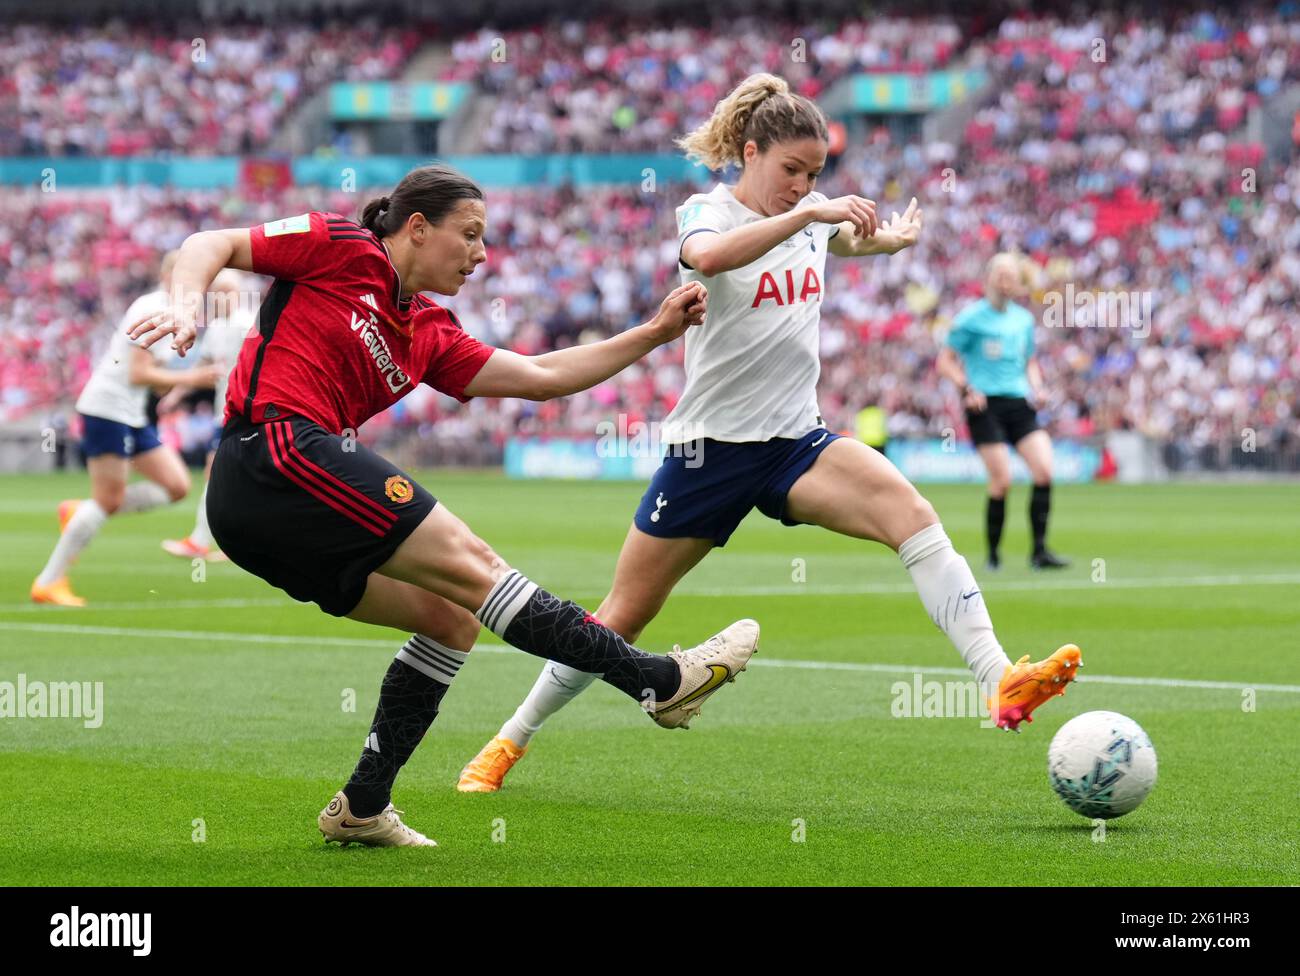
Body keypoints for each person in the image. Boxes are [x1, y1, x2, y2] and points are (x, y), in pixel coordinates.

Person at [459, 74, 1080, 793]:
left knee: (914, 519)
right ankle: (508, 743)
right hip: (709, 452)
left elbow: (844, 241)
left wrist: (889, 243)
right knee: (623, 613)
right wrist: (811, 211)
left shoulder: (809, 218)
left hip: (795, 443)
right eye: (791, 170)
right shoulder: (707, 212)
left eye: (814, 173)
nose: (802, 185)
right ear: (750, 153)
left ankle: (999, 679)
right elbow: (712, 258)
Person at [127, 163, 759, 848]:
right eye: (470, 235)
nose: (481, 254)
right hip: (272, 453)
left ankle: (363, 805)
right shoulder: (343, 247)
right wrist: (188, 302)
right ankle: (657, 681)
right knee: (474, 562)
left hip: (286, 505)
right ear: (418, 228)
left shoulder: (428, 330)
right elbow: (208, 242)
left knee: (453, 618)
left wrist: (653, 333)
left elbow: (542, 377)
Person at [31, 253, 223, 606]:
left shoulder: (175, 311)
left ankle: (82, 511)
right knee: (108, 500)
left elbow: (152, 380)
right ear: (170, 275)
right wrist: (191, 378)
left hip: (131, 413)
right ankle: (49, 581)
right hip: (107, 409)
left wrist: (174, 378)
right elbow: (138, 373)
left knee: (177, 486)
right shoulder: (152, 307)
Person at [936, 253, 1070, 570]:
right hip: (986, 406)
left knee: (1044, 471)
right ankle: (993, 555)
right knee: (1002, 480)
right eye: (1003, 275)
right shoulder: (970, 318)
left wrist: (1037, 388)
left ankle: (1039, 552)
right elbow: (945, 361)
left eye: (1013, 275)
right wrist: (967, 388)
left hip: (1018, 403)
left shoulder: (1022, 320)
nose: (1008, 281)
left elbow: (1029, 362)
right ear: (990, 278)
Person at [160, 271, 260, 562]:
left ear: (239, 294)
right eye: (217, 291)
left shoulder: (247, 324)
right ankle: (235, 544)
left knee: (219, 473)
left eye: (227, 291)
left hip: (244, 413)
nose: (221, 297)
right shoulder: (218, 327)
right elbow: (204, 368)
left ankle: (202, 541)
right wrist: (175, 396)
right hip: (226, 413)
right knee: (232, 477)